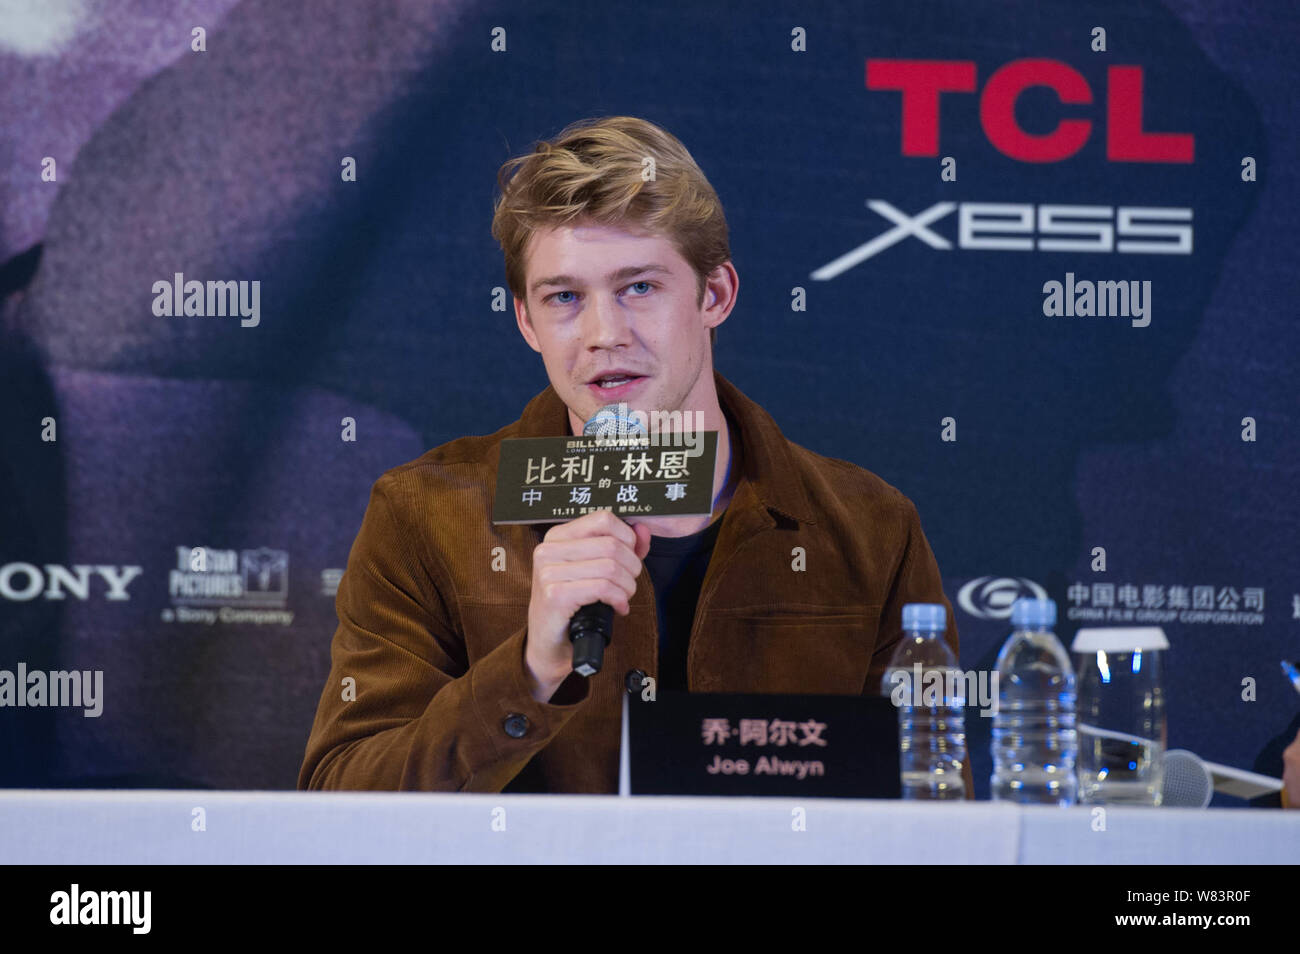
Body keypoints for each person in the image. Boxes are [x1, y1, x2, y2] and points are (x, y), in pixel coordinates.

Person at [298, 115, 968, 795]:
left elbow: (936, 806)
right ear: (527, 321)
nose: (603, 334)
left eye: (639, 288)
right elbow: (342, 802)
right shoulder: (424, 514)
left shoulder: (871, 527)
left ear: (715, 295)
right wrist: (527, 671)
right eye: (564, 297)